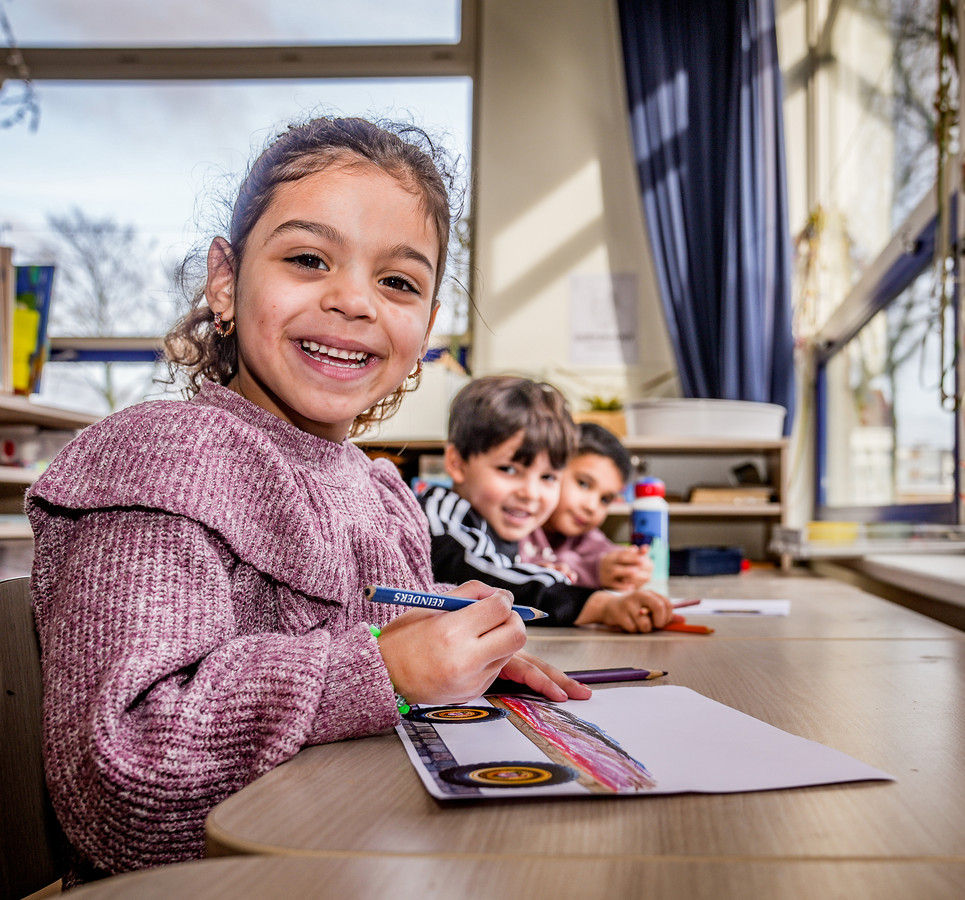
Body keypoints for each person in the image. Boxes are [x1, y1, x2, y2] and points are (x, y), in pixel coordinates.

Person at [25, 117, 589, 883]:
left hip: (356, 861)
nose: (355, 301)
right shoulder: (163, 457)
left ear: (425, 325)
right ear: (226, 280)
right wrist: (386, 670)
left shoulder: (380, 492)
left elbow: (368, 691)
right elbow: (125, 779)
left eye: (398, 282)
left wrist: (454, 658)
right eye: (307, 258)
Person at [419, 376, 677, 631]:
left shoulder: (498, 521)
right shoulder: (441, 512)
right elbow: (474, 576)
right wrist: (600, 606)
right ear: (457, 462)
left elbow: (501, 571)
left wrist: (529, 571)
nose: (531, 493)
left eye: (548, 477)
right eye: (509, 469)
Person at [520, 422, 653, 591]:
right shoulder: (518, 520)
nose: (592, 507)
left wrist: (628, 565)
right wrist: (592, 570)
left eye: (605, 499)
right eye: (583, 484)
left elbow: (604, 552)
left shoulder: (583, 535)